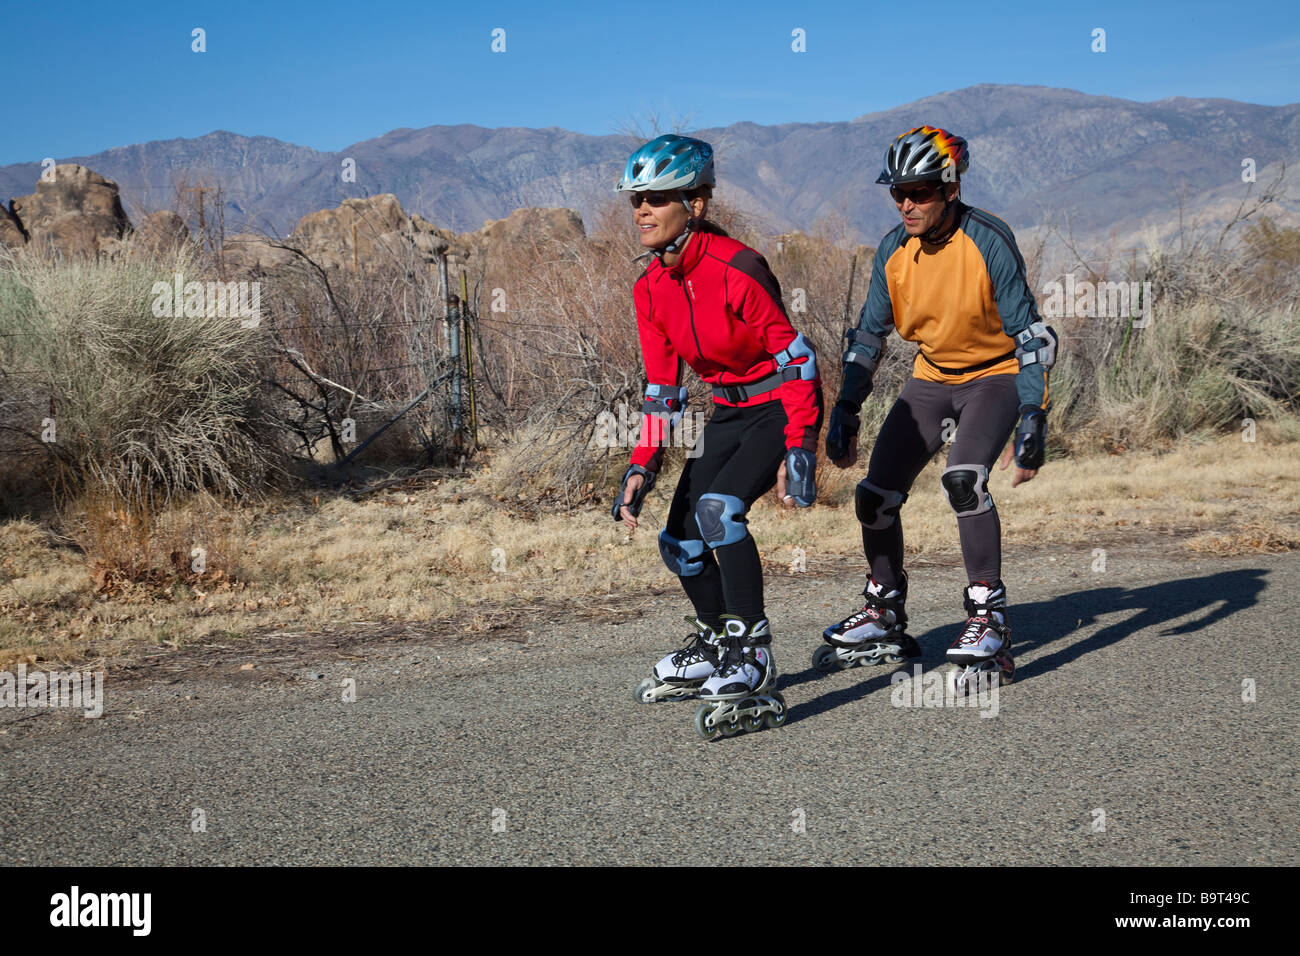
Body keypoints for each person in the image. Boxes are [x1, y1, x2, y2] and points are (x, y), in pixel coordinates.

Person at [819, 126, 1057, 691]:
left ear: (950, 188)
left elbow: (1031, 337)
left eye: (920, 191)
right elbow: (867, 338)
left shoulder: (988, 239)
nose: (906, 203)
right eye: (898, 191)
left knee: (963, 479)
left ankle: (988, 616)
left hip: (994, 377)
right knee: (874, 497)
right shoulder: (893, 250)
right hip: (931, 378)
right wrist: (846, 407)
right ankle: (884, 610)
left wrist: (1033, 415)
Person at [612, 134, 824, 738]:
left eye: (657, 198)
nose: (642, 211)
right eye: (637, 201)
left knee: (718, 511)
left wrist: (800, 445)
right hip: (727, 414)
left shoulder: (739, 267)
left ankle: (752, 654)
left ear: (696, 203)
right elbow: (662, 390)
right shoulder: (649, 288)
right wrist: (640, 467)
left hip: (777, 407)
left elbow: (799, 361)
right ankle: (711, 644)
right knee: (678, 542)